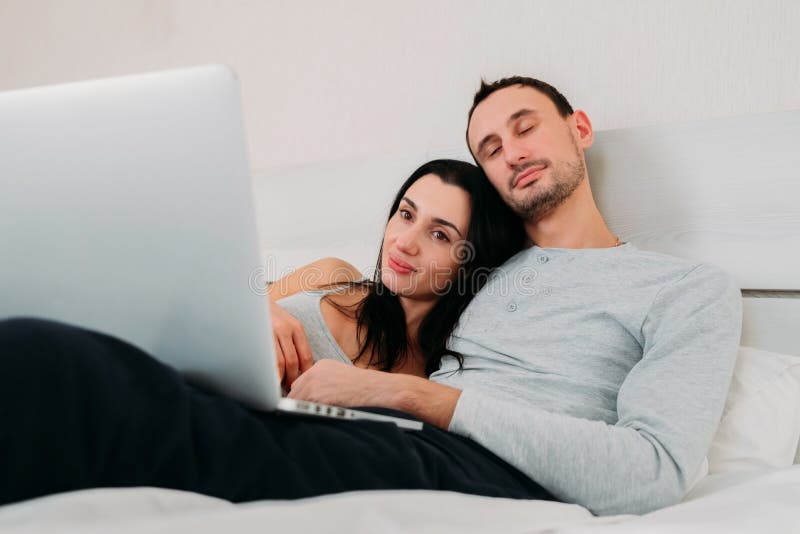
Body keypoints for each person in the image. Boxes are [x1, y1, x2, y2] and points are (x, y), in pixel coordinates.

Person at [0, 77, 741, 517]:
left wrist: (413, 399)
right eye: (489, 147)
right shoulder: (489, 276)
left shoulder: (685, 289)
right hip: (393, 436)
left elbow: (654, 473)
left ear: (578, 129)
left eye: (525, 128)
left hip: (487, 471)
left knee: (79, 384)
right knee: (101, 374)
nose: (509, 152)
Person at [266, 158, 525, 385]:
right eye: (406, 214)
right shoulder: (331, 275)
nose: (404, 242)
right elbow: (229, 305)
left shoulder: (439, 384)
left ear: (470, 267)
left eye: (439, 234)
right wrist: (257, 309)